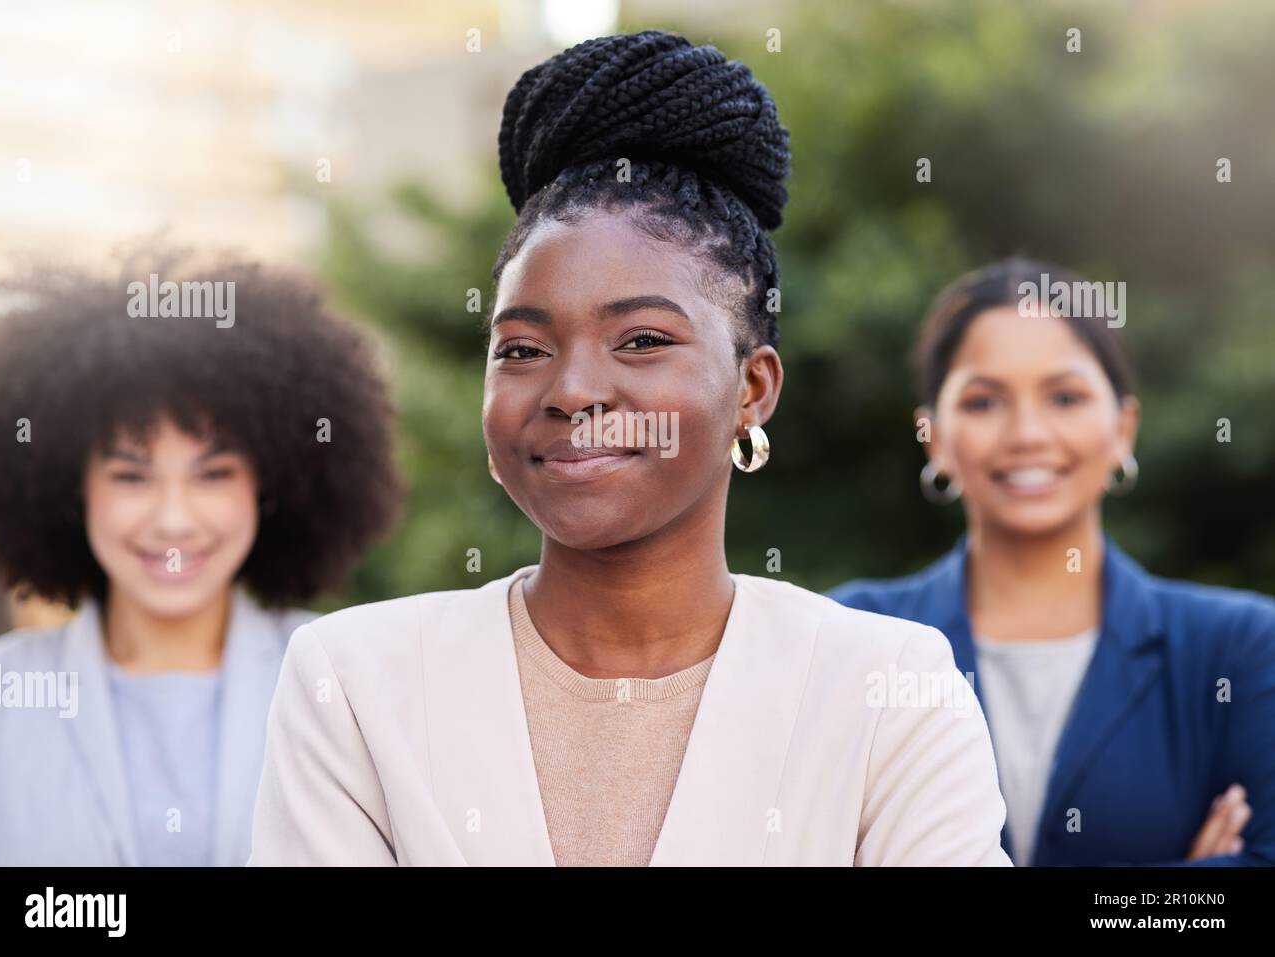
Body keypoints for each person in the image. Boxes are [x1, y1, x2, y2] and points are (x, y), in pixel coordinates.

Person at [248, 31, 1011, 867]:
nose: (571, 390)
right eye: (523, 349)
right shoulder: (354, 682)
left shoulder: (889, 693)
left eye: (642, 339)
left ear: (752, 388)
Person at [829, 257, 1275, 866]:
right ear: (932, 436)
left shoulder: (1243, 647)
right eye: (985, 402)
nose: (1028, 433)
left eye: (1065, 396)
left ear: (1124, 427)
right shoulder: (853, 635)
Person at [0, 250, 402, 865]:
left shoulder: (350, 684)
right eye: (131, 476)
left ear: (269, 484)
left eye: (213, 474)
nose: (174, 519)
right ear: (70, 489)